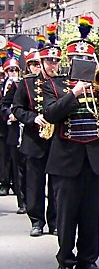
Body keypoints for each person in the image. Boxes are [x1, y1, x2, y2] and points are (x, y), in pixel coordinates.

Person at [41, 15, 99, 269]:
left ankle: (88, 258)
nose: (83, 64)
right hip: (66, 158)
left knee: (90, 212)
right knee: (66, 212)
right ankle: (65, 259)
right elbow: (51, 114)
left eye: (88, 60)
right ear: (69, 60)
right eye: (79, 59)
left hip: (94, 158)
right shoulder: (55, 85)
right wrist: (74, 92)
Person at [11, 38, 57, 236]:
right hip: (34, 140)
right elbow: (17, 108)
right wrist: (33, 118)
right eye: (48, 61)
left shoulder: (62, 83)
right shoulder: (27, 83)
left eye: (55, 61)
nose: (52, 65)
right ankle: (37, 221)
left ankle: (54, 222)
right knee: (35, 183)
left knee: (56, 185)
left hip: (56, 142)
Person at [0, 48, 25, 213]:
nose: (13, 72)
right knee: (9, 162)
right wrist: (10, 115)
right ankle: (8, 185)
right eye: (10, 70)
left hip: (28, 131)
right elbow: (5, 105)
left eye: (15, 69)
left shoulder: (24, 83)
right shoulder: (8, 85)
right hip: (7, 129)